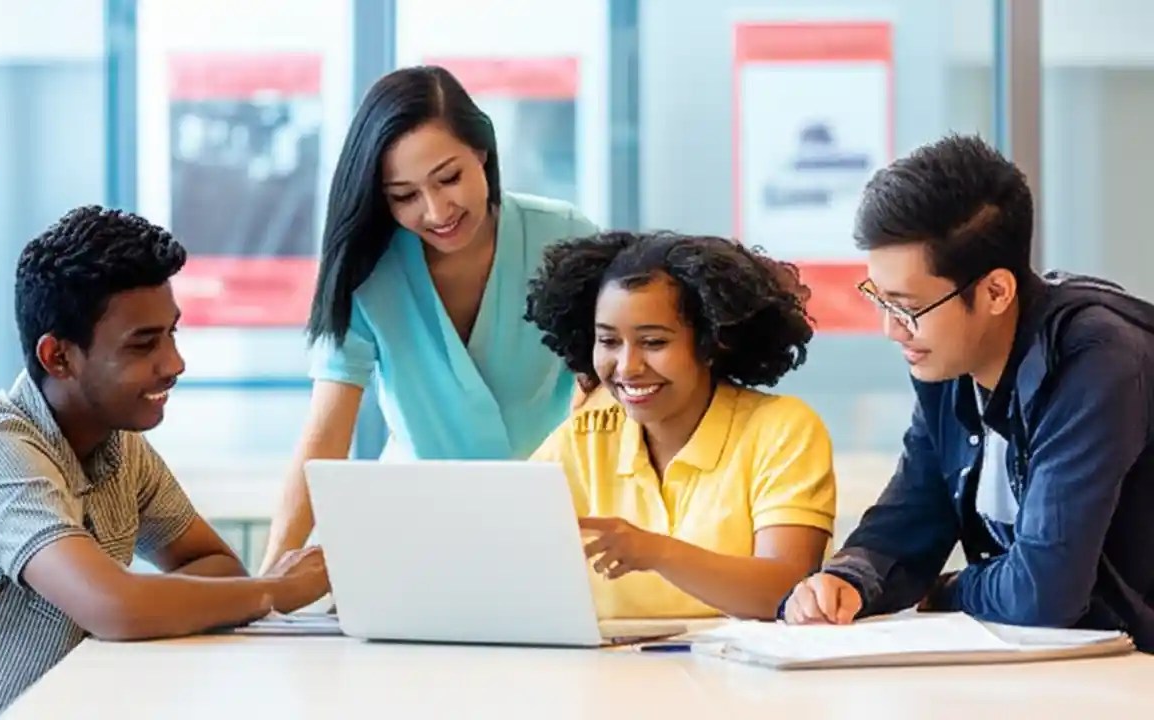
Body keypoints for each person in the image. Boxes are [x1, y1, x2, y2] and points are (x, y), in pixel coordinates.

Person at [0, 207, 329, 720]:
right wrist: (274, 591)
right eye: (143, 344)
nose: (174, 363)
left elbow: (217, 567)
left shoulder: (120, 445)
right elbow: (114, 608)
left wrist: (137, 601)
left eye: (172, 334)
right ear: (58, 358)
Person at [782, 134, 1154, 651]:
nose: (892, 330)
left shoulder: (1097, 360)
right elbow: (913, 514)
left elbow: (1044, 594)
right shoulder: (948, 357)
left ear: (996, 291)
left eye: (907, 306)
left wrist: (952, 589)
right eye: (879, 299)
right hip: (1066, 670)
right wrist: (847, 580)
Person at [260, 65, 598, 571]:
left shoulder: (563, 236)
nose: (437, 210)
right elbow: (325, 435)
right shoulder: (368, 273)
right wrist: (267, 582)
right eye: (404, 196)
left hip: (553, 519)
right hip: (413, 530)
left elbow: (610, 380)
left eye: (449, 178)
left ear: (482, 151)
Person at [525, 231, 837, 619]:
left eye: (653, 342)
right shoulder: (585, 436)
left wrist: (655, 552)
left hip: (742, 676)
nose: (627, 367)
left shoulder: (781, 429)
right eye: (608, 341)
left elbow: (786, 588)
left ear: (711, 342)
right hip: (614, 674)